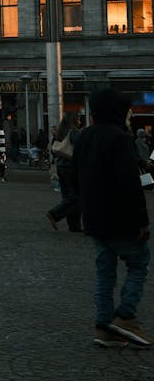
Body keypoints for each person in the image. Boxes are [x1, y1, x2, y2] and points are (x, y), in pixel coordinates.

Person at [75, 89, 152, 348]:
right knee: (139, 262)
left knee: (105, 272)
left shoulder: (84, 137)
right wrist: (141, 220)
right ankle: (126, 316)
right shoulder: (120, 139)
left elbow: (77, 178)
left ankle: (103, 327)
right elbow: (130, 185)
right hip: (120, 218)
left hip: (95, 217)